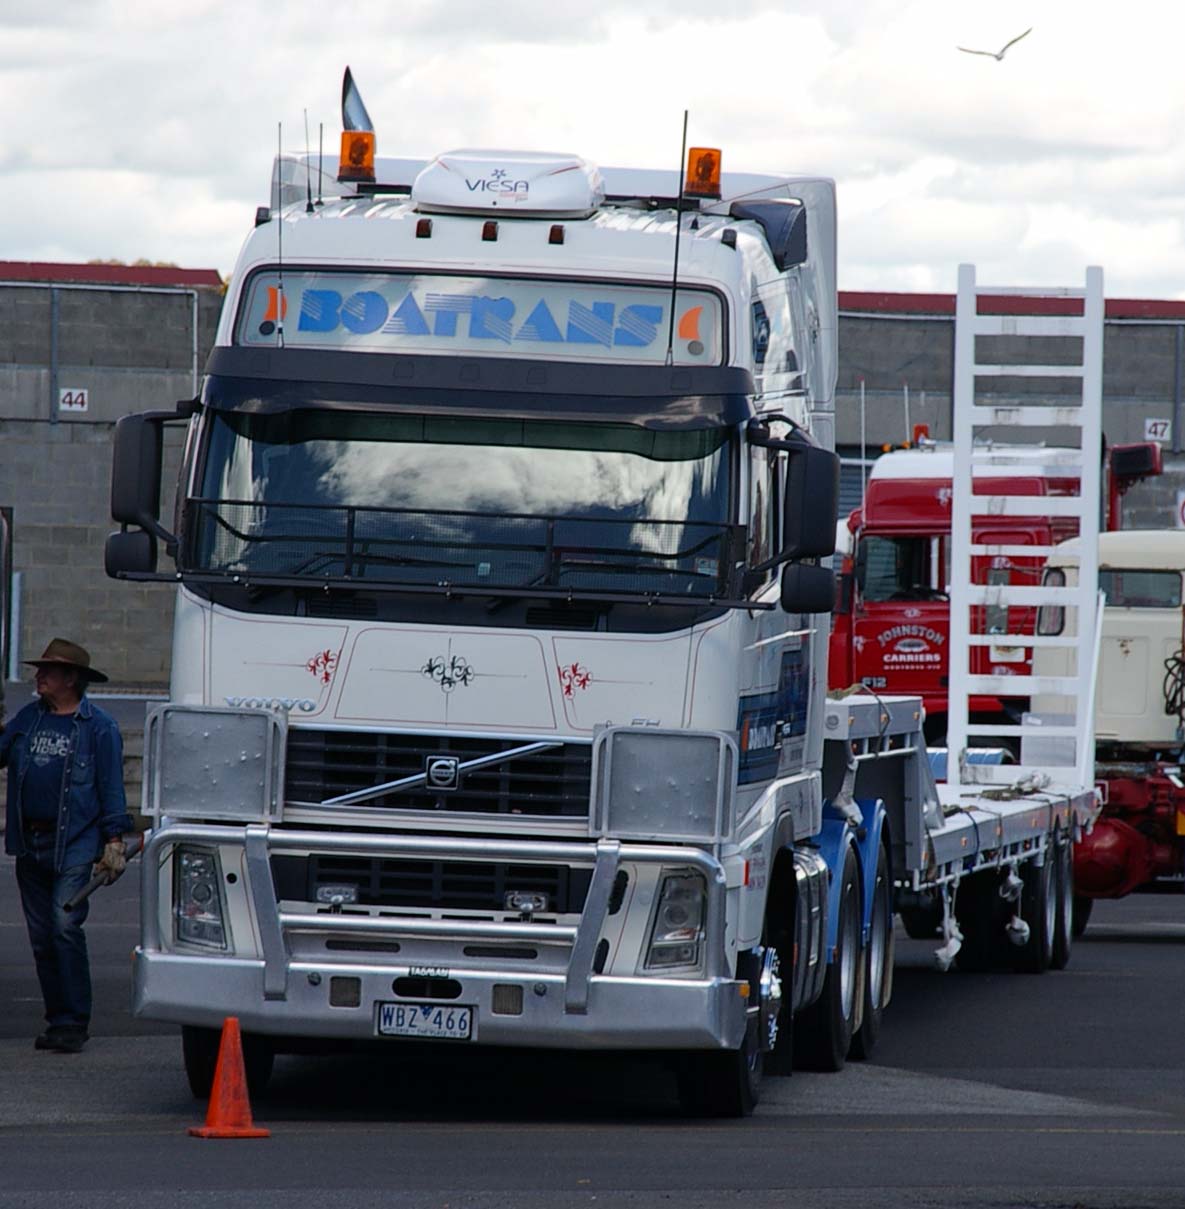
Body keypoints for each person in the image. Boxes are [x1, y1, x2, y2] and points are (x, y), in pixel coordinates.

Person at [2, 638, 132, 1053]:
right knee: (42, 936)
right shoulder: (29, 718)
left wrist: (114, 841)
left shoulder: (99, 727)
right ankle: (58, 1020)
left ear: (71, 679)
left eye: (48, 671)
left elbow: (111, 786)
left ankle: (74, 1020)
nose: (38, 677)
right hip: (30, 841)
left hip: (75, 841)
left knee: (63, 925)